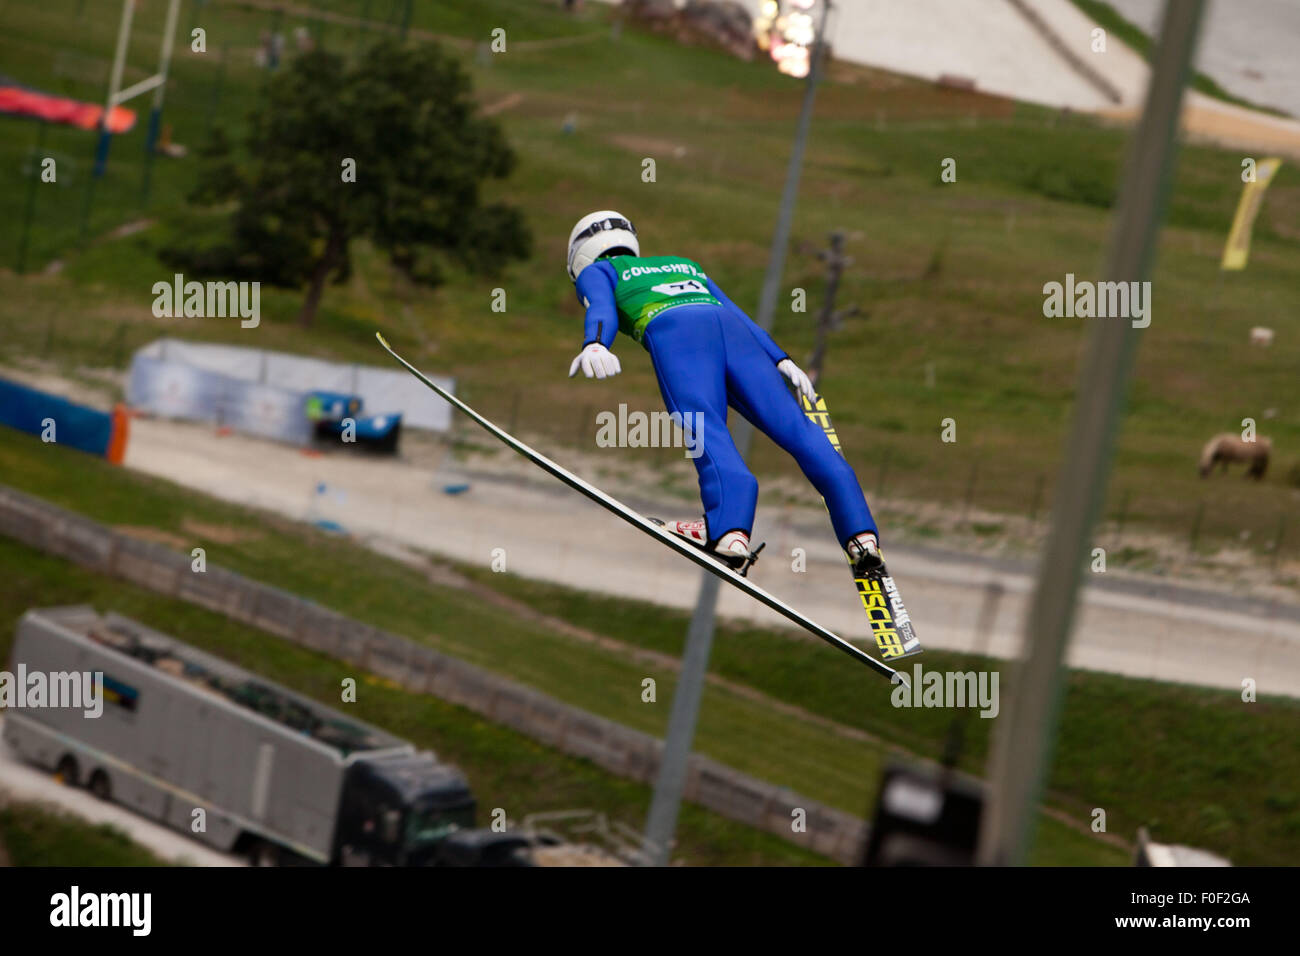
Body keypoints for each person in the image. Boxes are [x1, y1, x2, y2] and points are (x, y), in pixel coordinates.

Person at [565, 209, 883, 576]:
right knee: (800, 430)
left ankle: (730, 532)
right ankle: (862, 536)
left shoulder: (598, 272)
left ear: (580, 254)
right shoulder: (683, 264)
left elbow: (601, 307)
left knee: (706, 428)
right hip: (736, 336)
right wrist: (780, 358)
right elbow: (737, 313)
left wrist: (596, 343)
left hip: (676, 332)